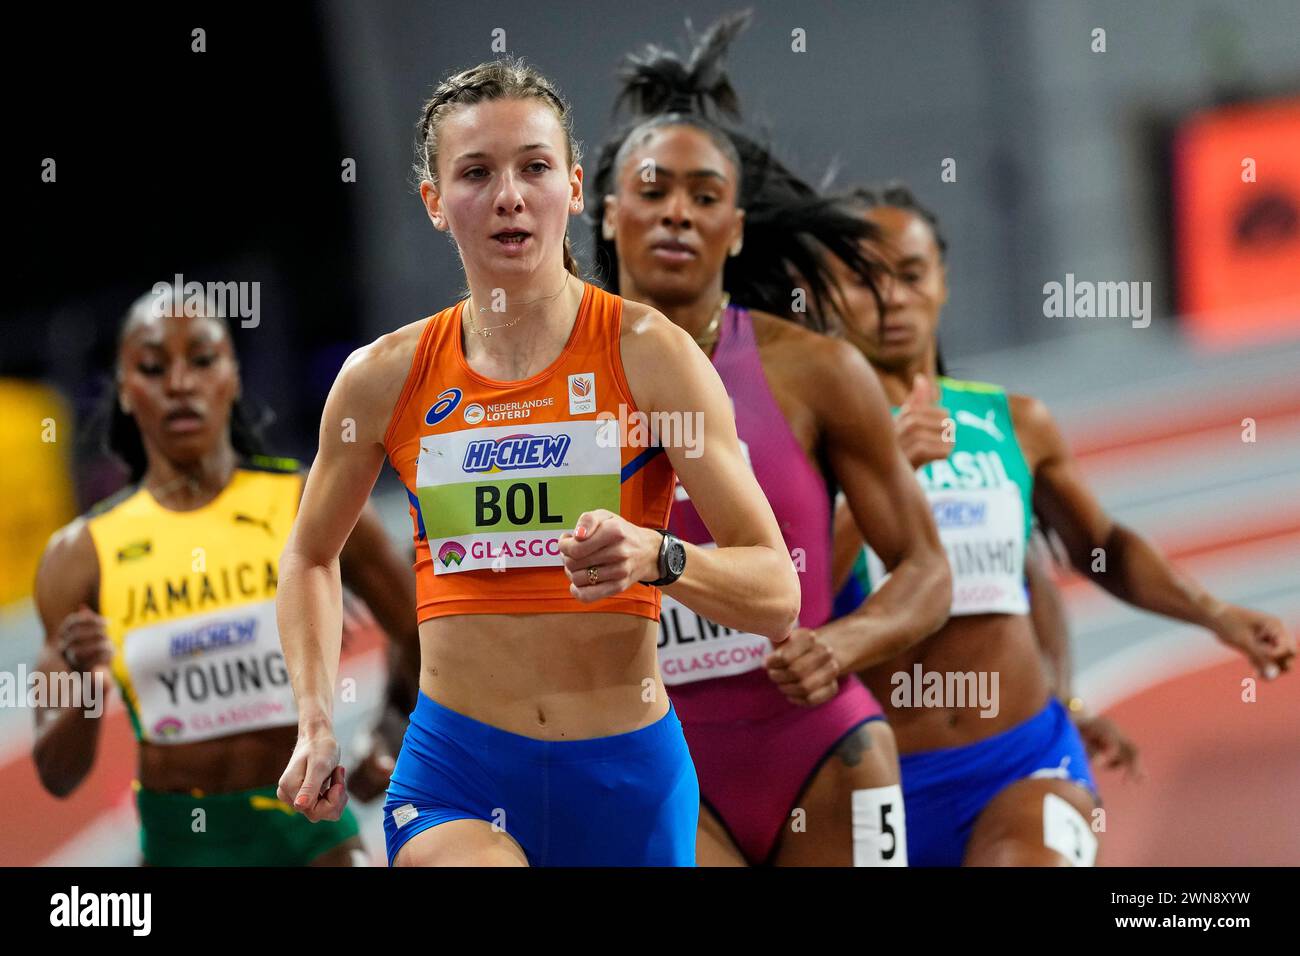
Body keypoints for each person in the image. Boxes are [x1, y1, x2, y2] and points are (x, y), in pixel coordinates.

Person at [274, 56, 801, 868]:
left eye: (534, 168)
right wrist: (315, 719)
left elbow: (776, 590)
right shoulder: (383, 378)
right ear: (435, 203)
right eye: (476, 173)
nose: (509, 196)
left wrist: (658, 555)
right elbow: (311, 553)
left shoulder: (649, 356)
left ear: (576, 187)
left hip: (624, 774)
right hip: (455, 771)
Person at [827, 183, 1295, 865]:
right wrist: (883, 477)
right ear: (830, 296)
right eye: (864, 280)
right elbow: (790, 598)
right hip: (879, 782)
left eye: (910, 273)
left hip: (1020, 759)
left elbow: (1082, 554)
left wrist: (1213, 613)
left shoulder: (1012, 424)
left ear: (942, 283)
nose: (892, 297)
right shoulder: (815, 443)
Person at [591, 14, 949, 866]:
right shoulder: (542, 389)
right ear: (606, 214)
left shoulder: (815, 372)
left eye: (706, 196)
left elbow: (926, 570)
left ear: (737, 229)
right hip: (650, 760)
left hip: (821, 752)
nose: (678, 212)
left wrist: (844, 643)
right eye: (654, 190)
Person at [31, 285, 419, 865]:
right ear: (125, 391)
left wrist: (387, 735)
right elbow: (57, 776)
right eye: (154, 367)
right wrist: (85, 692)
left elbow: (426, 632)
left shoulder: (309, 505)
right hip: (179, 845)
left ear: (233, 376)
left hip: (308, 834)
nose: (181, 384)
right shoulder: (77, 555)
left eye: (204, 360)